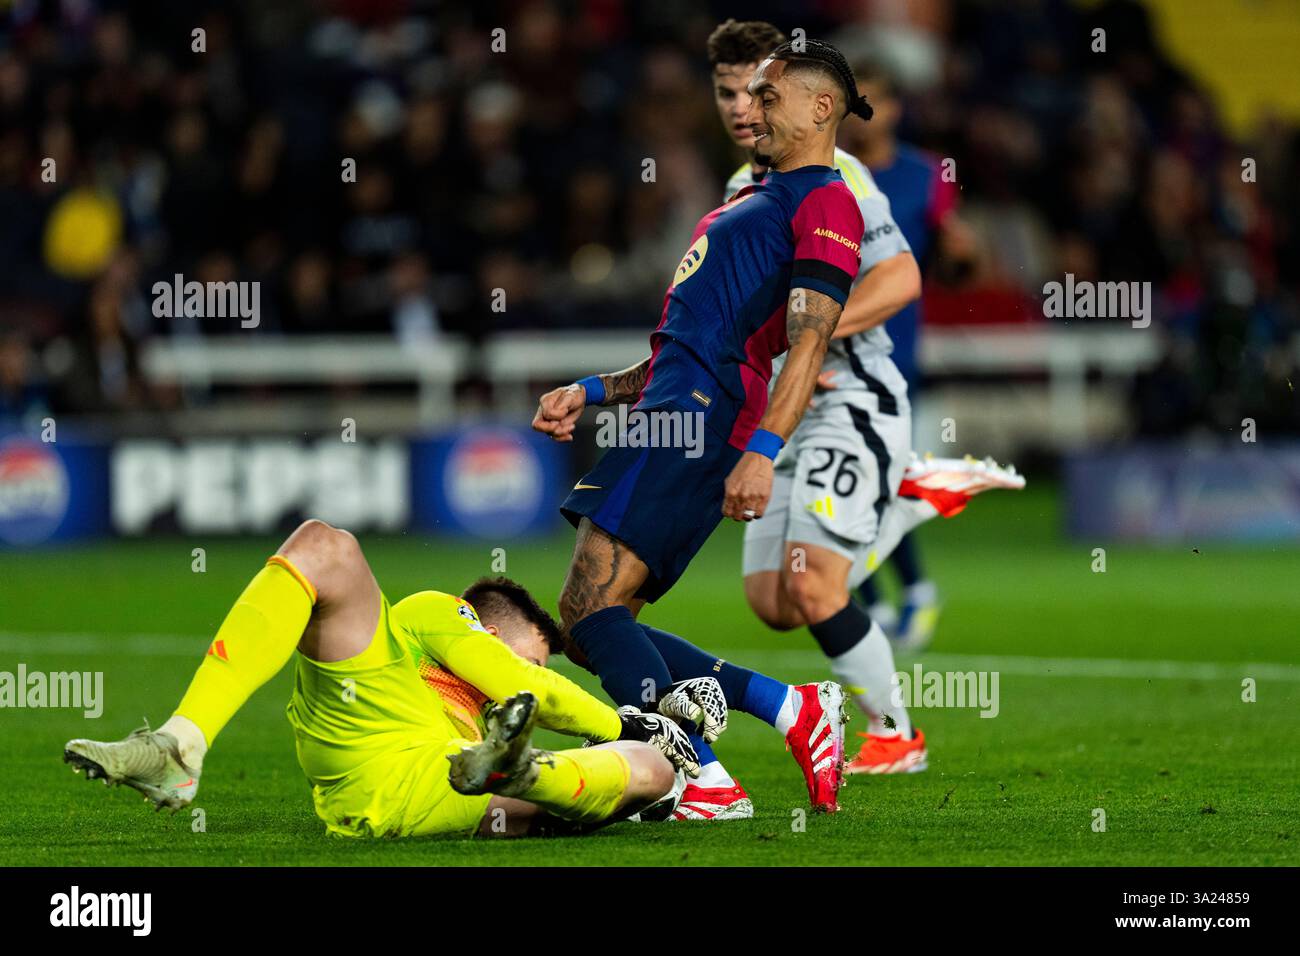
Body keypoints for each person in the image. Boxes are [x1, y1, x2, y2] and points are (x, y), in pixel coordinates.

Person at [532, 37, 878, 815]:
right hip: (673, 410)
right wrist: (592, 390)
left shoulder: (826, 202)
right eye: (742, 95)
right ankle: (791, 710)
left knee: (587, 615)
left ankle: (706, 777)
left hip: (700, 424)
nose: (745, 109)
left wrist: (761, 452)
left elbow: (809, 340)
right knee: (598, 625)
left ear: (821, 109)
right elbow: (686, 345)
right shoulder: (748, 203)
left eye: (766, 96)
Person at [711, 21, 1024, 776]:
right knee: (772, 602)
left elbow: (902, 279)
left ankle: (898, 738)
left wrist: (808, 336)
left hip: (851, 397)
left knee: (815, 588)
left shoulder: (839, 176)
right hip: (786, 411)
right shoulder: (738, 190)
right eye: (727, 92)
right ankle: (905, 499)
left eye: (759, 88)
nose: (743, 106)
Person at [64, 519, 693, 838]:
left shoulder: (481, 718)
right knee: (324, 544)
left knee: (654, 775)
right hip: (377, 721)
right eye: (533, 657)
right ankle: (181, 742)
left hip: (446, 785)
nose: (532, 677)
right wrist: (624, 720)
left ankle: (519, 770)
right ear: (490, 630)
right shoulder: (431, 615)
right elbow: (526, 688)